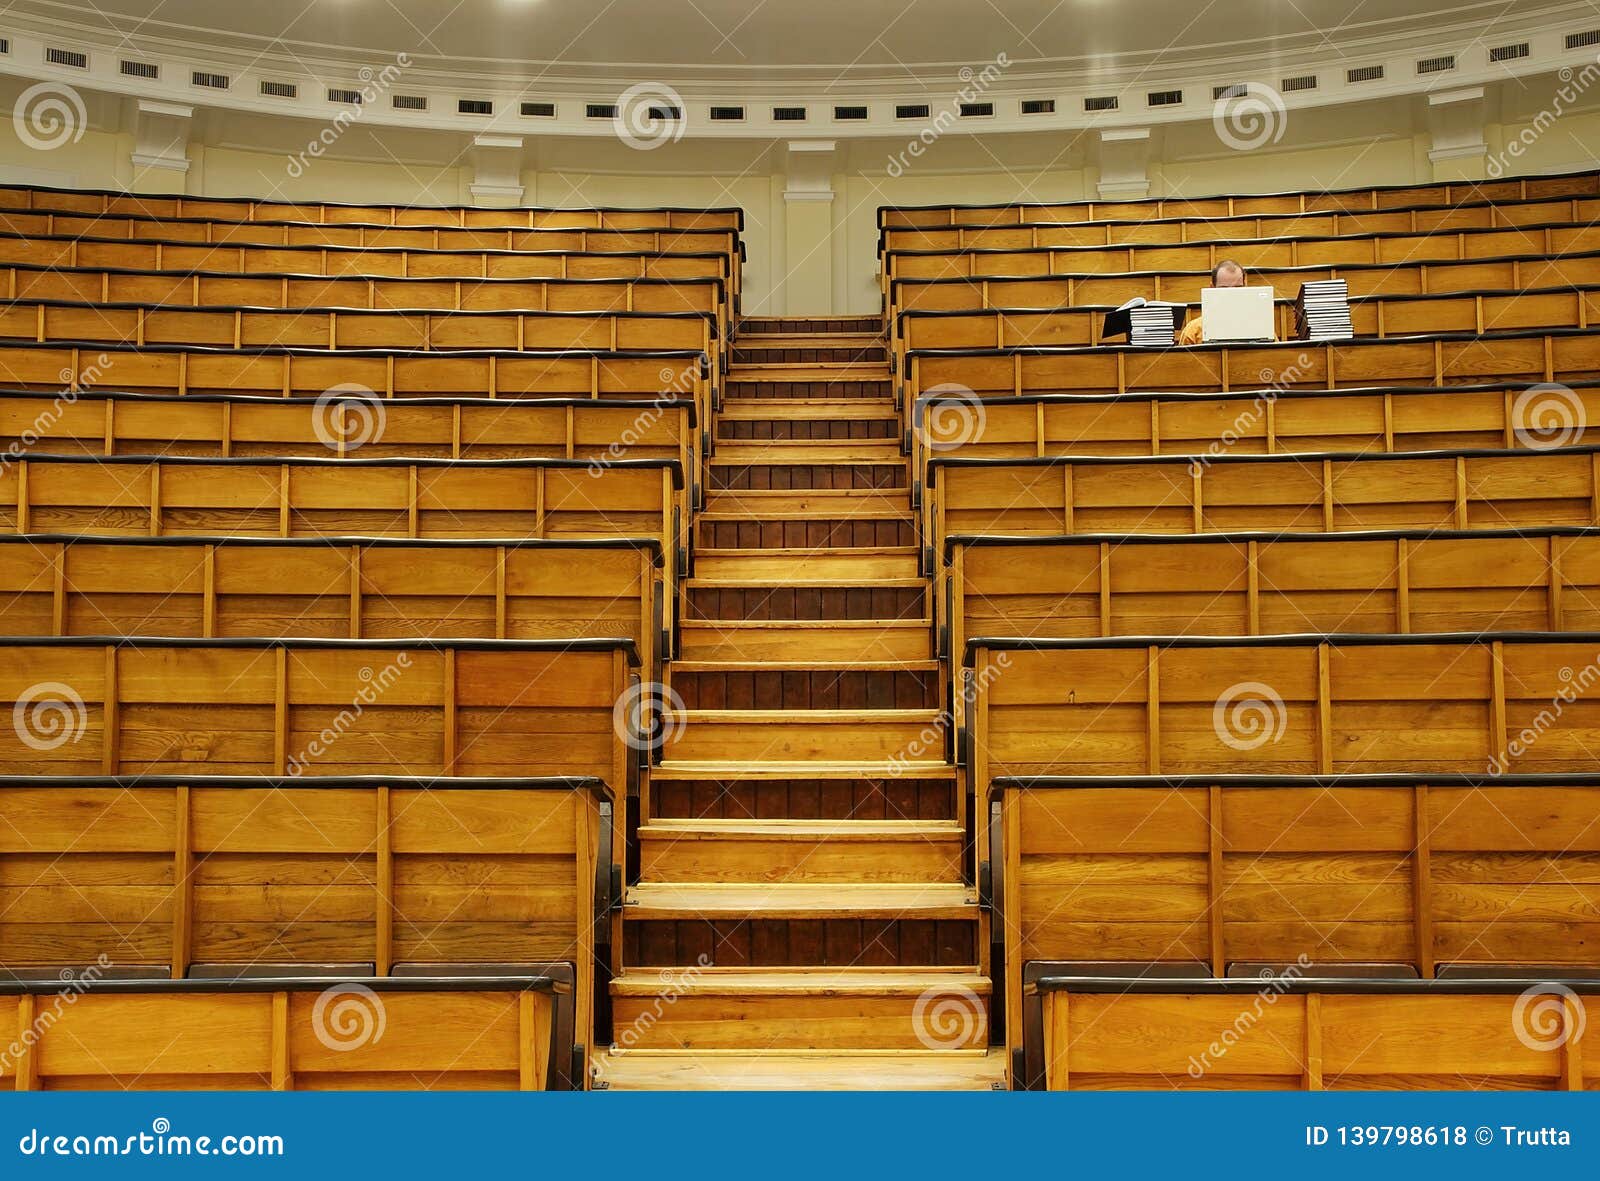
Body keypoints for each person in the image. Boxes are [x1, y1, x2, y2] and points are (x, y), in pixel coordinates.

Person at [1177, 259, 1246, 345]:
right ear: (1212, 288)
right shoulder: (1193, 331)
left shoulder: (1261, 327)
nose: (1231, 295)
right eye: (1223, 289)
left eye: (1238, 288)